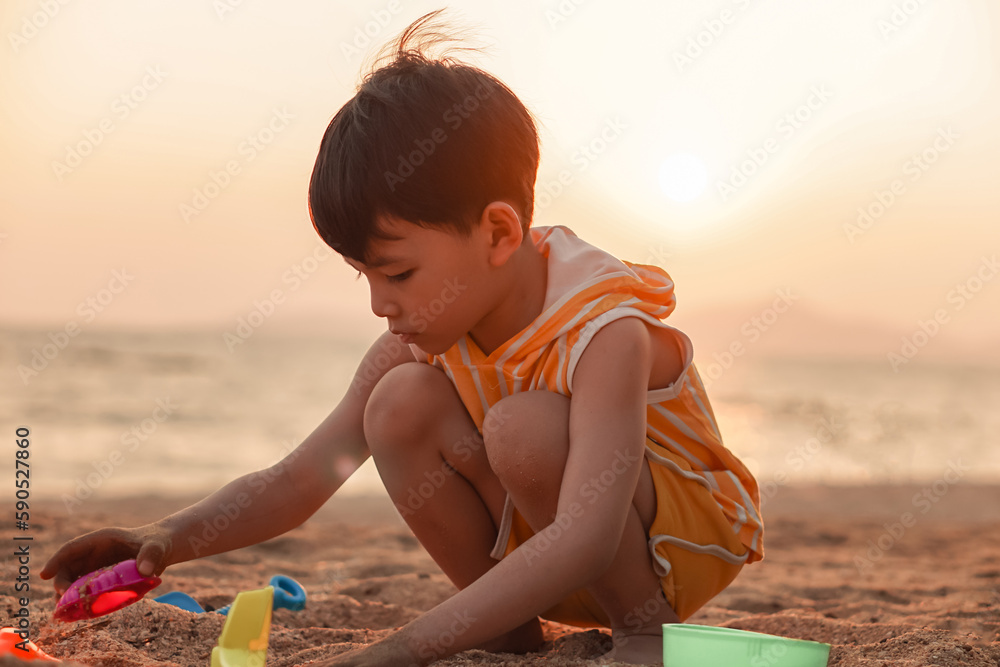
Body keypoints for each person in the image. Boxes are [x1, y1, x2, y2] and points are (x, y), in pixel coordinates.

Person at [41, 10, 764, 666]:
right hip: (546, 550)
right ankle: (508, 631)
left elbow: (588, 534)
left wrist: (402, 649)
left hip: (671, 541)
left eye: (399, 272)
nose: (382, 304)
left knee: (521, 425)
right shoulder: (430, 330)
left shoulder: (603, 328)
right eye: (365, 277)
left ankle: (644, 631)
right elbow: (301, 478)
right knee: (396, 402)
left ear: (500, 232)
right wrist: (162, 539)